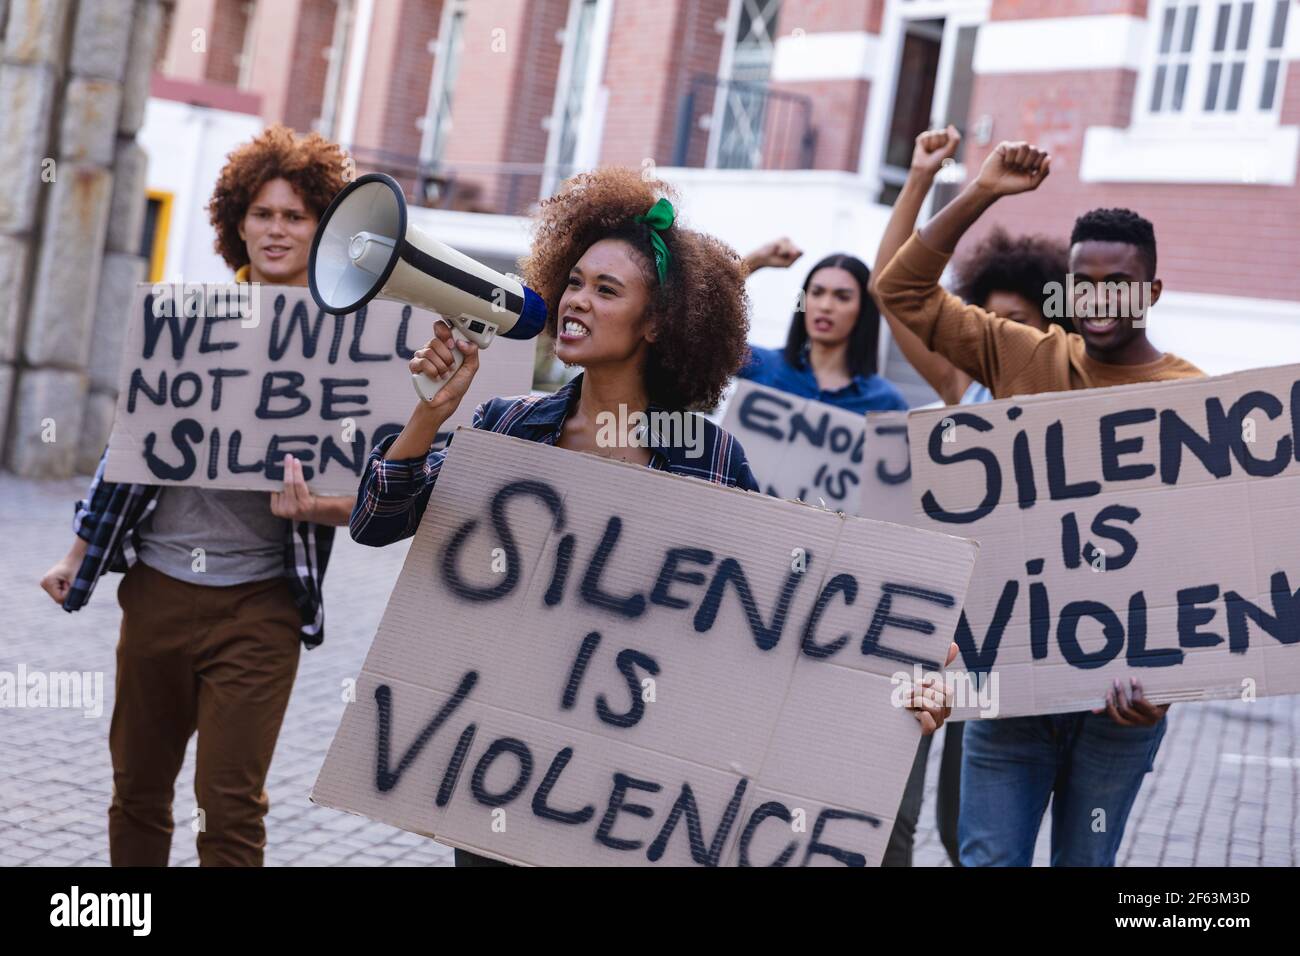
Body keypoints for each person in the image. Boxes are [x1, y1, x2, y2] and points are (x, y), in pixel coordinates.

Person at [348, 166, 955, 866]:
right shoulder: (506, 426)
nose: (576, 300)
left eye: (606, 290)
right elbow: (375, 521)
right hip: (498, 767)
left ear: (656, 323)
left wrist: (893, 670)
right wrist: (430, 413)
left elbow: (777, 614)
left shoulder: (707, 456)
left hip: (625, 790)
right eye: (573, 281)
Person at [874, 139, 1203, 867]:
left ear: (1152, 292)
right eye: (1083, 282)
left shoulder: (1192, 402)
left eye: (1118, 282)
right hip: (1014, 692)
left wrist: (1171, 689)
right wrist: (981, 191)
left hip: (1120, 710)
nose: (1098, 298)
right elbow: (899, 293)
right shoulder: (1026, 356)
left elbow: (1203, 564)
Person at [38, 124, 357, 867]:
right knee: (139, 793)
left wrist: (320, 507)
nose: (276, 231)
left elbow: (379, 491)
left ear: (323, 229)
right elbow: (128, 451)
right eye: (262, 214)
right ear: (236, 223)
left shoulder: (350, 347)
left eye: (296, 216)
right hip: (157, 593)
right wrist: (76, 553)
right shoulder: (185, 326)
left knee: (232, 807)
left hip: (262, 607)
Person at [867, 127, 1071, 867]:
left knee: (968, 830)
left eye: (1018, 325)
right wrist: (922, 178)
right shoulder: (966, 386)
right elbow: (893, 288)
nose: (999, 334)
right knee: (894, 785)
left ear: (1055, 329)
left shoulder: (1072, 405)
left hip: (1010, 634)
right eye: (990, 321)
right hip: (937, 617)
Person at [740, 243, 908, 414]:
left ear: (863, 310)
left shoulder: (885, 402)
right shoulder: (761, 365)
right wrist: (755, 261)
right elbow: (711, 341)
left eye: (842, 297)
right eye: (817, 293)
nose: (825, 306)